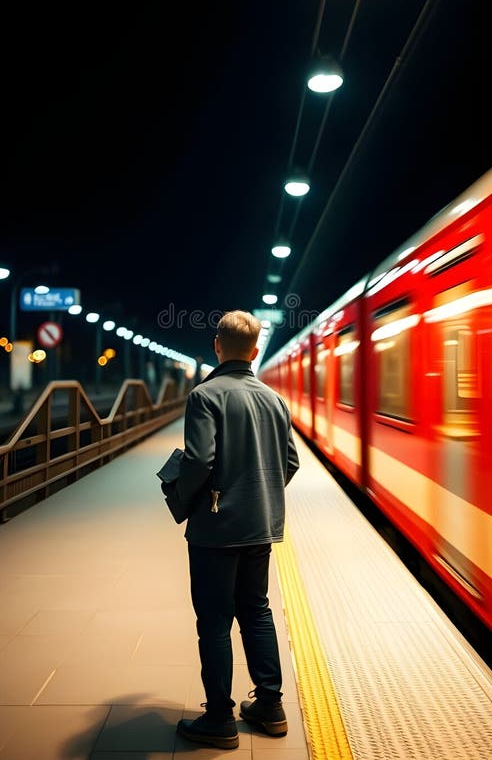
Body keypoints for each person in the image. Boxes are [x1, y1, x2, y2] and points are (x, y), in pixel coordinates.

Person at [172, 309, 300, 751]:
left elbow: (199, 461)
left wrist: (184, 500)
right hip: (260, 527)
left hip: (215, 529)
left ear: (217, 346)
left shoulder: (205, 396)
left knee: (214, 621)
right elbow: (291, 462)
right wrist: (259, 493)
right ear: (256, 352)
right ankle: (269, 705)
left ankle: (220, 719)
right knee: (257, 611)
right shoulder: (274, 400)